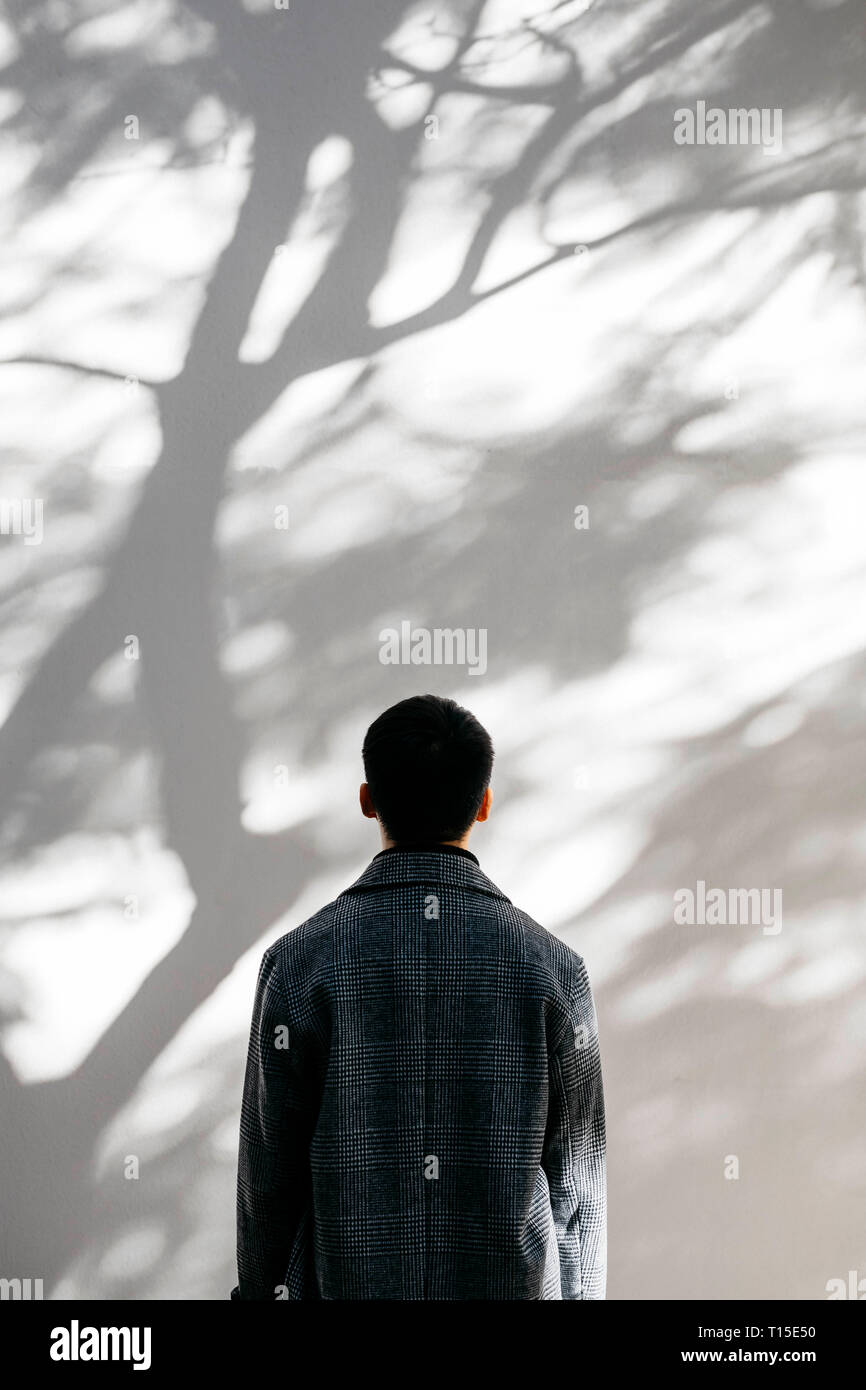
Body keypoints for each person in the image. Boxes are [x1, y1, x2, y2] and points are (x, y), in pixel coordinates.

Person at [232, 693, 606, 1300]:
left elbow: (268, 1184)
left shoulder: (299, 963)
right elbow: (576, 1184)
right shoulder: (554, 970)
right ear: (483, 804)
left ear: (367, 800)